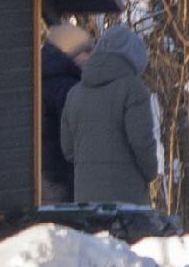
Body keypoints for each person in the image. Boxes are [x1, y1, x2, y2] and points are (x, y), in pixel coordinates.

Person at [60, 22, 160, 205]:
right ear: (134, 59)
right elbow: (141, 141)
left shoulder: (74, 93)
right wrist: (151, 172)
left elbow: (68, 150)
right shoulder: (133, 90)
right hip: (128, 199)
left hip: (85, 199)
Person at [41, 22, 91, 201]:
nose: (91, 57)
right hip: (61, 178)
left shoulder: (44, 79)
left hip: (46, 175)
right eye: (87, 51)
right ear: (71, 54)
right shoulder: (67, 87)